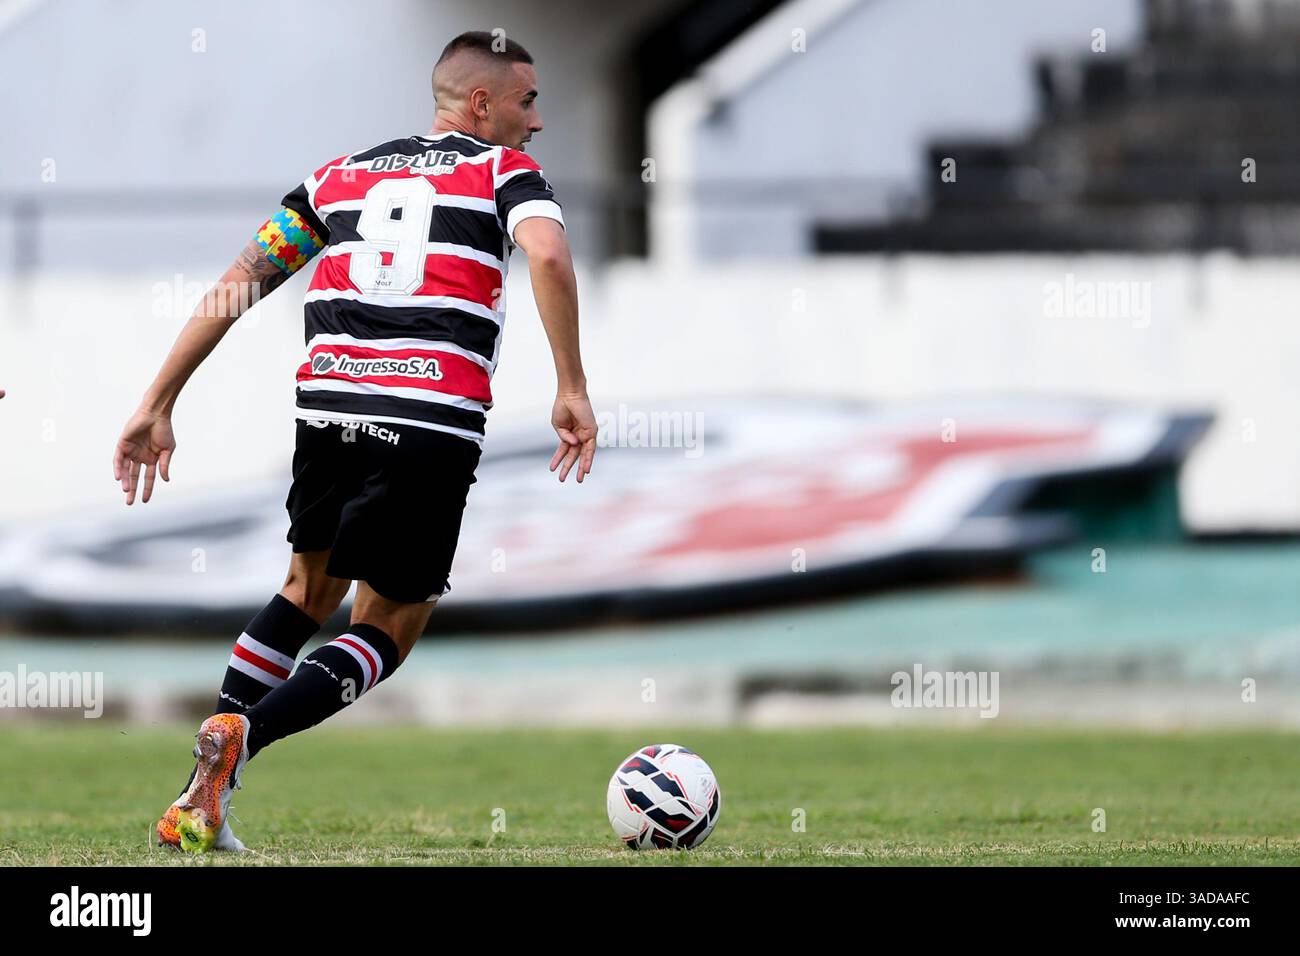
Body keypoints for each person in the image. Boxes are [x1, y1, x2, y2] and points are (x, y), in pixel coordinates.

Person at [111, 31, 596, 853]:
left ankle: (201, 795)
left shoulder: (339, 175)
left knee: (305, 590)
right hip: (428, 413)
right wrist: (572, 384)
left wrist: (158, 400)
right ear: (481, 105)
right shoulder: (504, 171)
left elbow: (241, 282)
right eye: (528, 101)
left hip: (328, 407)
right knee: (392, 621)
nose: (538, 122)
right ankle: (243, 742)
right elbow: (546, 253)